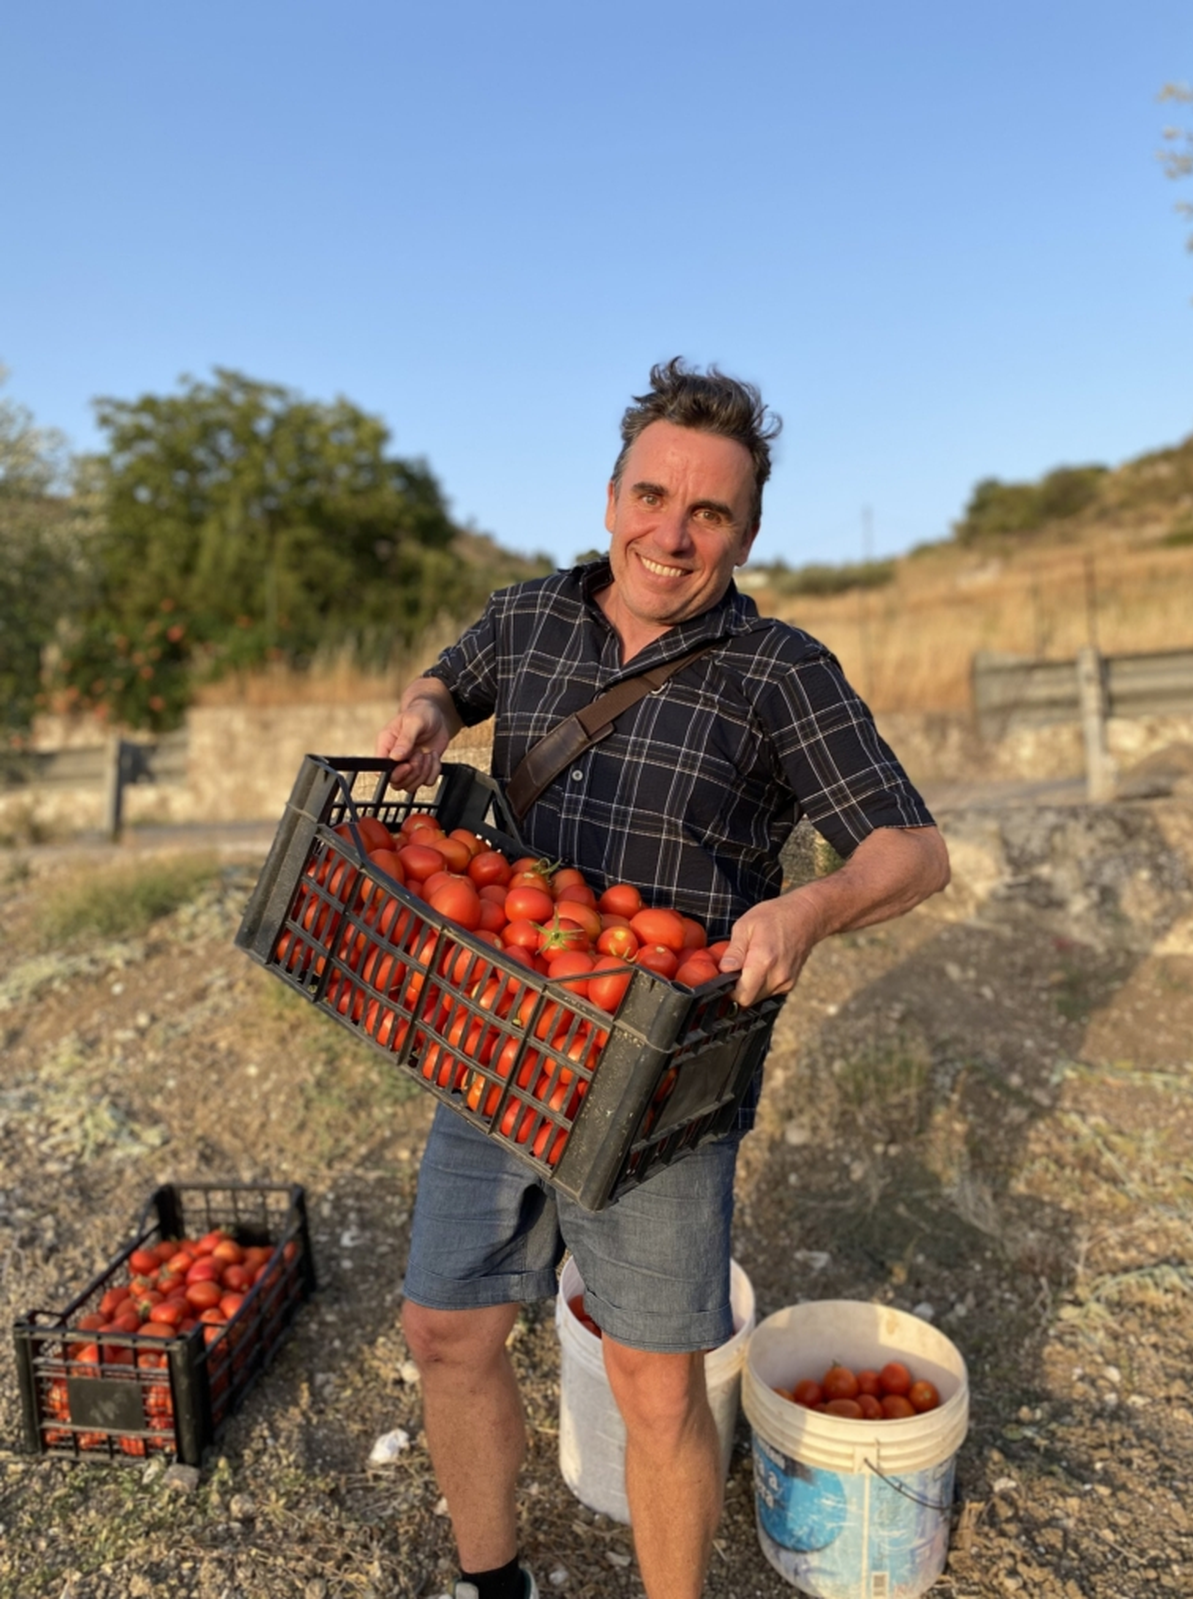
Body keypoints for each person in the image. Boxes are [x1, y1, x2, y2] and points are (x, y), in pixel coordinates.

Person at [375, 358, 950, 1599]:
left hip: (656, 1084)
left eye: (709, 515)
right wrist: (426, 712)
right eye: (652, 497)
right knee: (446, 1331)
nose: (672, 535)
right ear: (609, 497)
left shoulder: (780, 671)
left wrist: (814, 904)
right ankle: (493, 1584)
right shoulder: (529, 615)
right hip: (494, 1039)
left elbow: (916, 850)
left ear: (746, 532)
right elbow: (450, 675)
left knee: (653, 1380)